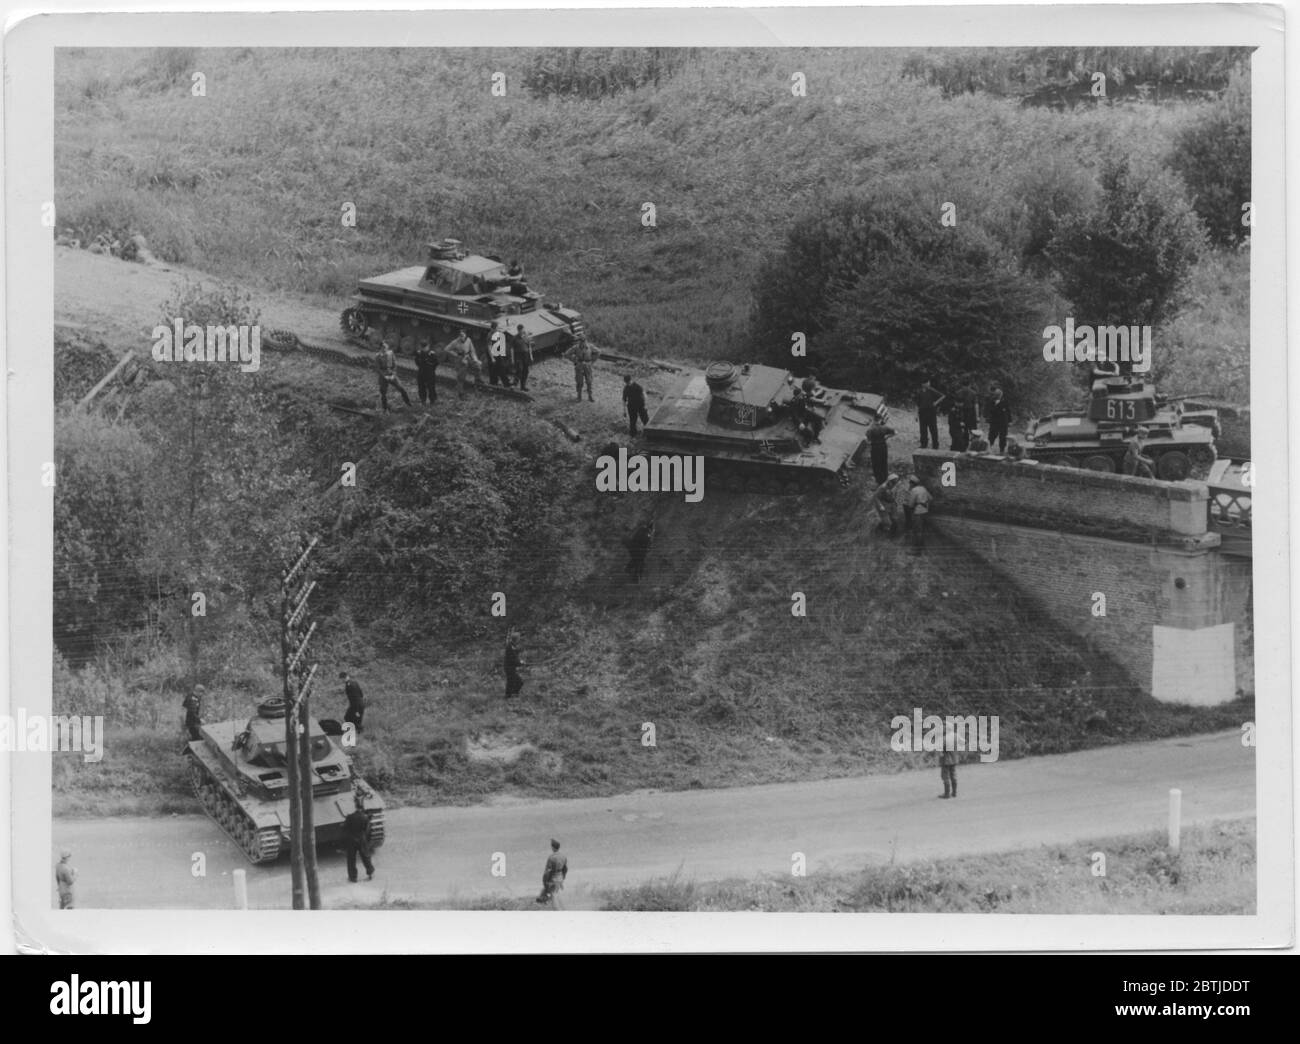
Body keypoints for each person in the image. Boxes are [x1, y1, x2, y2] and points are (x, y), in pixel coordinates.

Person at [342, 795, 375, 883]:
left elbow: (344, 828)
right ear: (362, 807)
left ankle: (353, 877)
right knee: (365, 856)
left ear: (355, 807)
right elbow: (367, 829)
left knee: (351, 859)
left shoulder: (349, 817)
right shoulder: (365, 817)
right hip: (361, 838)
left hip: (351, 840)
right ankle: (370, 873)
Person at [375, 342, 412, 412]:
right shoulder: (378, 356)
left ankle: (408, 403)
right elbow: (378, 369)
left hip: (391, 374)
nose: (385, 349)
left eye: (386, 348)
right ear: (380, 349)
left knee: (402, 388)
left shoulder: (390, 354)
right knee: (383, 392)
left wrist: (393, 375)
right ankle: (384, 408)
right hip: (383, 376)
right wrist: (384, 376)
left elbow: (395, 365)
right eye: (383, 348)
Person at [446, 331, 482, 397]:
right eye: (460, 336)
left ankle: (478, 382)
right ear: (458, 336)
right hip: (460, 359)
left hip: (468, 357)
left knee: (478, 367)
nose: (462, 338)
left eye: (463, 336)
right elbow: (447, 349)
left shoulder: (468, 340)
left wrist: (475, 359)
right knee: (461, 377)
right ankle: (461, 393)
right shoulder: (455, 342)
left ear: (466, 336)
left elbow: (472, 350)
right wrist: (455, 354)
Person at [916, 378, 947, 450]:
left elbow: (942, 396)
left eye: (928, 383)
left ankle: (935, 445)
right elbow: (918, 404)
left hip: (931, 412)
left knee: (933, 429)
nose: (928, 384)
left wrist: (936, 403)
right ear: (923, 384)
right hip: (922, 413)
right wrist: (916, 415)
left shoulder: (931, 390)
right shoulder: (919, 392)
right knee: (923, 430)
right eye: (927, 383)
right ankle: (923, 444)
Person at [905, 475, 932, 554]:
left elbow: (910, 504)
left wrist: (910, 506)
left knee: (917, 530)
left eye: (910, 483)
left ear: (912, 483)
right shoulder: (923, 488)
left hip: (917, 512)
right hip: (925, 511)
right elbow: (930, 498)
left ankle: (917, 550)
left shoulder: (913, 490)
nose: (910, 484)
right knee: (922, 529)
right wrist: (926, 505)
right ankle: (922, 546)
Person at [536, 838, 568, 905]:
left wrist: (544, 881)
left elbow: (547, 871)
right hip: (560, 878)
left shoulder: (551, 857)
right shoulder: (563, 856)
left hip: (553, 878)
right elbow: (565, 869)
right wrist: (563, 878)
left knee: (542, 896)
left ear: (552, 847)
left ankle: (549, 904)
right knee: (554, 894)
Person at [866, 417, 896, 485]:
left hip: (875, 448)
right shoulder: (884, 427)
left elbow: (867, 440)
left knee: (876, 464)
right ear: (880, 420)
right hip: (883, 446)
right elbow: (895, 432)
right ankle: (885, 479)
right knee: (883, 462)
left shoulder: (870, 429)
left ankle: (878, 480)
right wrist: (887, 437)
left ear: (874, 420)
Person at [486, 321, 513, 387]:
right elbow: (489, 347)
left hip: (498, 352)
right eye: (497, 328)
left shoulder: (498, 333)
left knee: (501, 367)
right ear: (493, 328)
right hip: (492, 353)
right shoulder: (490, 335)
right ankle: (493, 383)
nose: (498, 329)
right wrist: (492, 358)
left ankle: (506, 383)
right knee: (493, 368)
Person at [414, 337, 439, 405]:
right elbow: (416, 361)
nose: (424, 348)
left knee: (431, 387)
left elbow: (436, 362)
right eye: (423, 347)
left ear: (428, 346)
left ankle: (432, 400)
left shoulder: (432, 354)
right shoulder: (419, 353)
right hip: (422, 371)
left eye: (425, 346)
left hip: (429, 372)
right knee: (421, 386)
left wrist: (431, 369)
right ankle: (423, 400)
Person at [986, 386, 1011, 453]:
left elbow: (1008, 411)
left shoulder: (1005, 401)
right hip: (995, 422)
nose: (998, 396)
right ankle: (989, 447)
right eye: (996, 395)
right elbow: (990, 411)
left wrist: (1009, 421)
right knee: (992, 435)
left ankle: (1002, 450)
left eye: (999, 395)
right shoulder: (991, 402)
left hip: (1003, 422)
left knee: (1003, 436)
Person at [512, 324, 534, 392]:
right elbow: (512, 349)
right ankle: (514, 385)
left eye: (523, 330)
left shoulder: (526, 337)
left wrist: (531, 356)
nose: (522, 331)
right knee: (519, 370)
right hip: (518, 356)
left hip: (526, 355)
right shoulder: (515, 338)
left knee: (525, 371)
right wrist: (512, 359)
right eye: (521, 330)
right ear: (518, 331)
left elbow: (529, 346)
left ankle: (523, 386)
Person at [504, 631, 525, 699]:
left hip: (510, 667)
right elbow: (513, 659)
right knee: (519, 682)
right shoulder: (510, 647)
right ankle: (511, 695)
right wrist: (520, 663)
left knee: (511, 682)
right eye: (519, 638)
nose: (519, 639)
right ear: (516, 639)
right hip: (509, 668)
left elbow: (516, 653)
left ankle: (510, 695)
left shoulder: (512, 645)